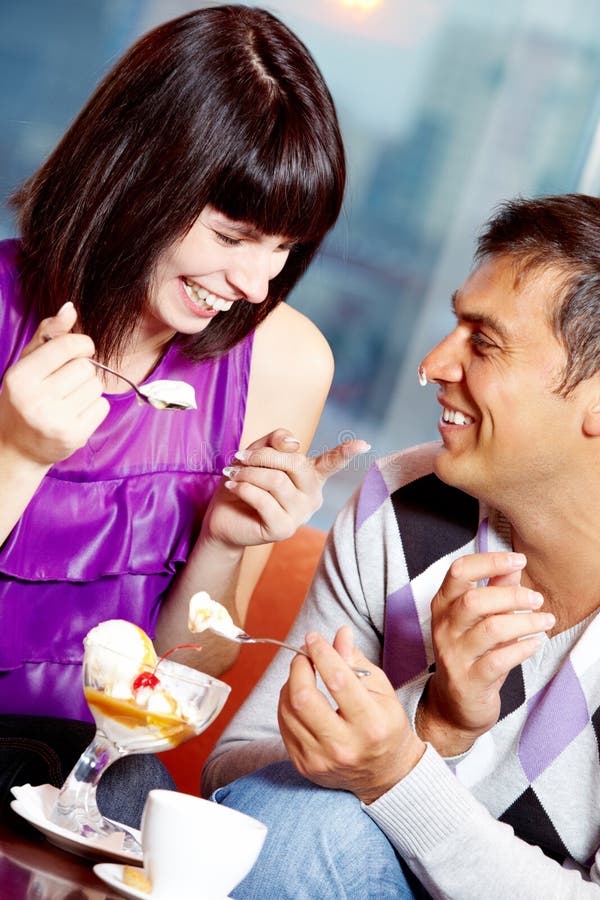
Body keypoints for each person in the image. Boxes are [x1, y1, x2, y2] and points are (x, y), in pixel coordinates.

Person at [0, 5, 368, 824]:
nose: (255, 284)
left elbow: (174, 689)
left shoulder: (283, 362)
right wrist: (17, 455)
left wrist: (223, 546)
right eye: (233, 235)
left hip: (95, 770)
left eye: (283, 248)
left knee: (141, 798)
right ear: (136, 176)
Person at [203, 193, 600, 898]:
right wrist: (434, 722)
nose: (433, 362)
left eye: (483, 341)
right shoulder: (406, 506)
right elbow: (232, 778)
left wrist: (398, 773)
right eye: (455, 324)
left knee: (308, 835)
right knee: (122, 783)